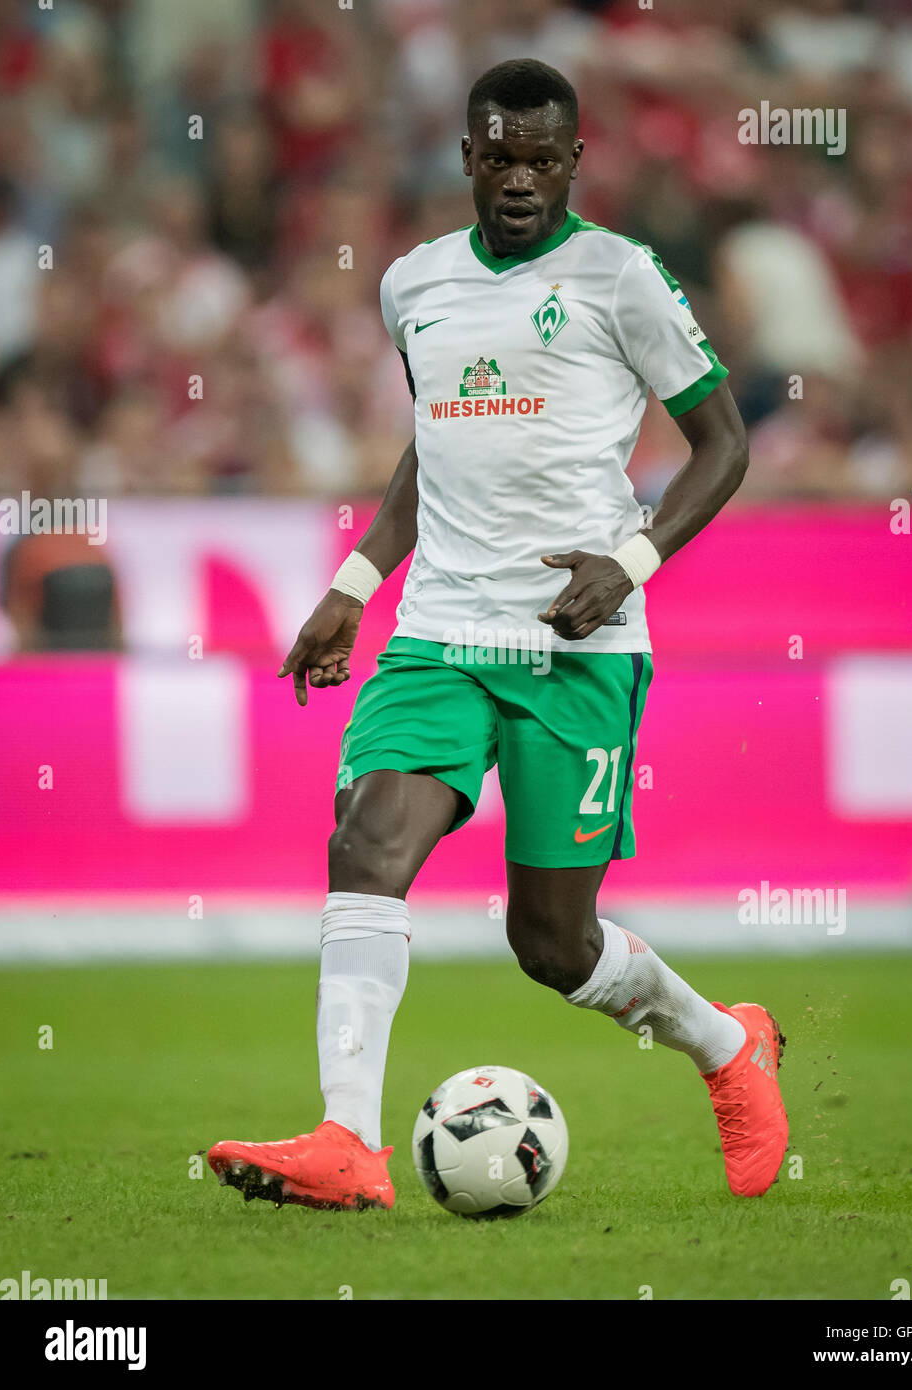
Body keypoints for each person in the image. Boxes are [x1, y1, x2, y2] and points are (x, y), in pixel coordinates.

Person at [208, 59, 787, 1211]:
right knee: (367, 842)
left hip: (578, 646)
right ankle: (345, 1140)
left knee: (552, 942)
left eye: (541, 158)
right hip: (439, 630)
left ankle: (725, 1044)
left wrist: (627, 564)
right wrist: (358, 579)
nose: (518, 177)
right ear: (465, 158)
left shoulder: (621, 278)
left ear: (575, 161)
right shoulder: (413, 285)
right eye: (497, 156)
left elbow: (723, 444)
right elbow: (440, 449)